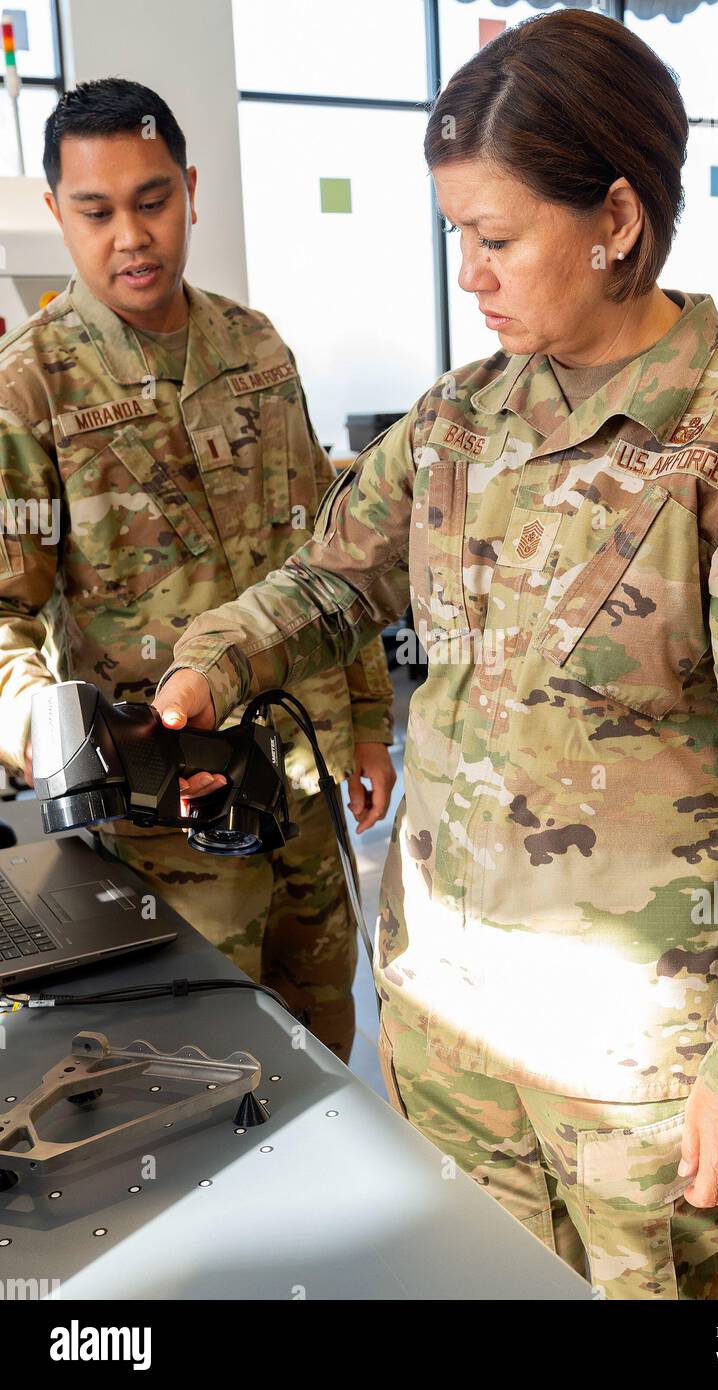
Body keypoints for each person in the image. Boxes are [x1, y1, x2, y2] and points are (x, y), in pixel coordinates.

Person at [151, 11, 718, 1298]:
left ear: (613, 218)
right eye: (457, 236)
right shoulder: (459, 417)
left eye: (496, 238)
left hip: (637, 1063)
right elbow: (335, 575)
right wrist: (215, 662)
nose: (469, 275)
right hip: (448, 1014)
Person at [0, 78, 396, 1063]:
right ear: (57, 214)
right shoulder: (30, 387)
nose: (130, 236)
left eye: (152, 200)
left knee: (323, 1048)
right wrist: (60, 739)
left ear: (190, 189)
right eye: (95, 211)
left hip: (303, 779)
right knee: (203, 1076)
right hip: (170, 823)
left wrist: (372, 723)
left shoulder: (257, 350)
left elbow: (331, 556)